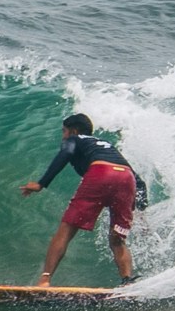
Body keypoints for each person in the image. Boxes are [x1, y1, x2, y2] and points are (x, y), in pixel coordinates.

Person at [22, 112, 139, 285]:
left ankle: (44, 280)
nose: (63, 136)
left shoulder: (74, 139)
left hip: (101, 173)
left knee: (66, 231)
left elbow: (65, 154)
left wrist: (41, 184)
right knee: (117, 239)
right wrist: (141, 209)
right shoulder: (106, 145)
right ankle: (127, 280)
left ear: (73, 130)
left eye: (64, 131)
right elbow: (138, 180)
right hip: (127, 178)